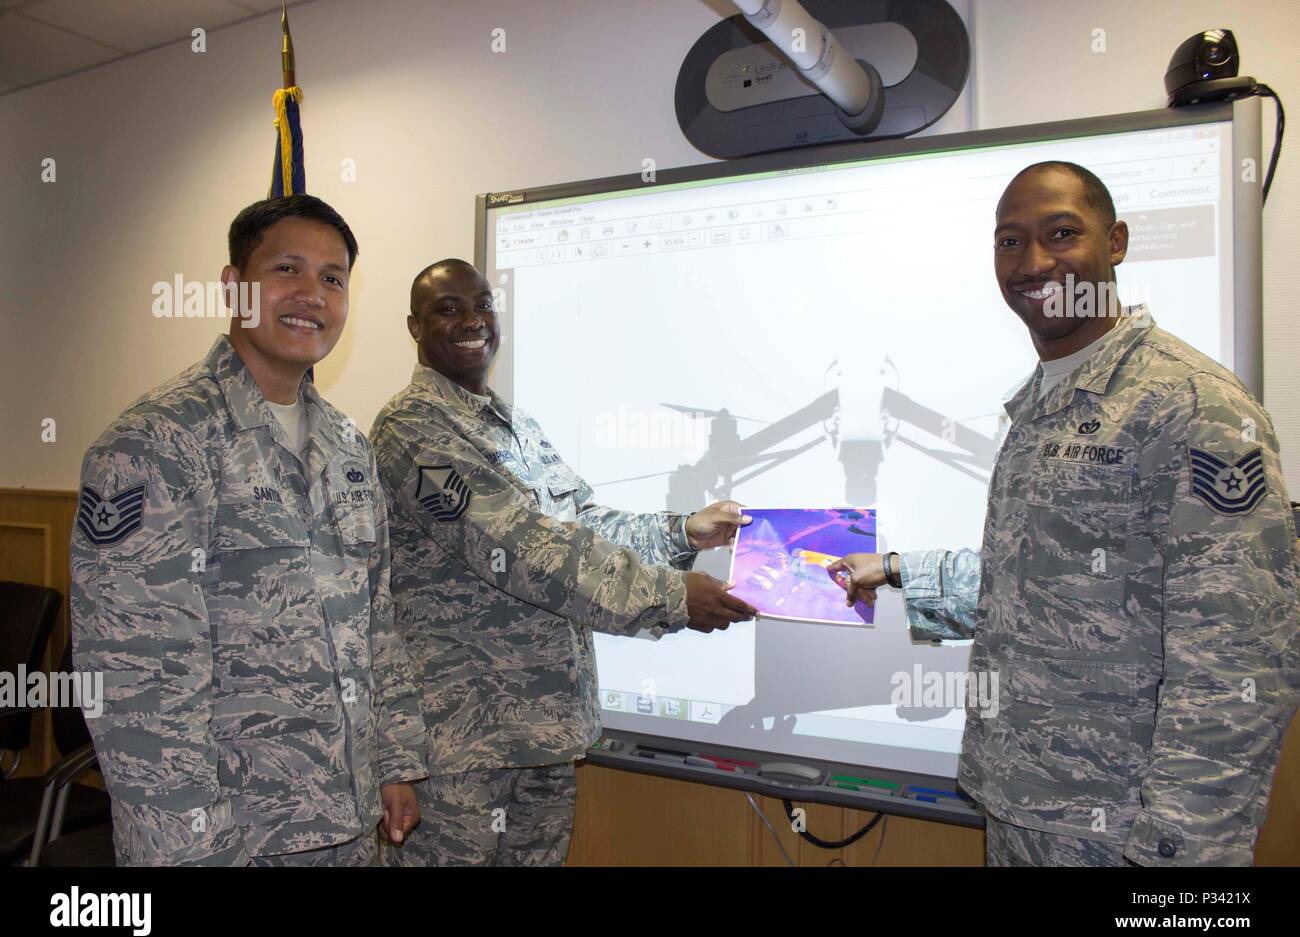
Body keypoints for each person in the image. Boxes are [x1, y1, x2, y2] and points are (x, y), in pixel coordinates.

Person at [829, 161, 1300, 866]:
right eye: (1010, 241)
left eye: (1061, 233)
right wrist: (895, 570)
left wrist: (1177, 859)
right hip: (1025, 808)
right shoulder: (1044, 402)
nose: (1034, 261)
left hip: (1128, 834)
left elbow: (1240, 658)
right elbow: (1042, 583)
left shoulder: (1192, 404)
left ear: (1116, 242)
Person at [71, 195, 428, 865]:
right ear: (234, 288)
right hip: (231, 840)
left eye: (332, 278)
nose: (311, 295)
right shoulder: (156, 445)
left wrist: (395, 760)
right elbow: (137, 683)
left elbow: (376, 623)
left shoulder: (349, 447)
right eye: (286, 270)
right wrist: (189, 851)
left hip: (348, 825)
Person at [371, 258, 757, 866]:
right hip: (462, 744)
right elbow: (520, 546)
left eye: (483, 304)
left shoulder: (516, 425)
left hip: (545, 735)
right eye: (449, 308)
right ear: (414, 327)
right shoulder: (411, 432)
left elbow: (583, 523)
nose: (472, 320)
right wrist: (671, 595)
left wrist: (683, 529)